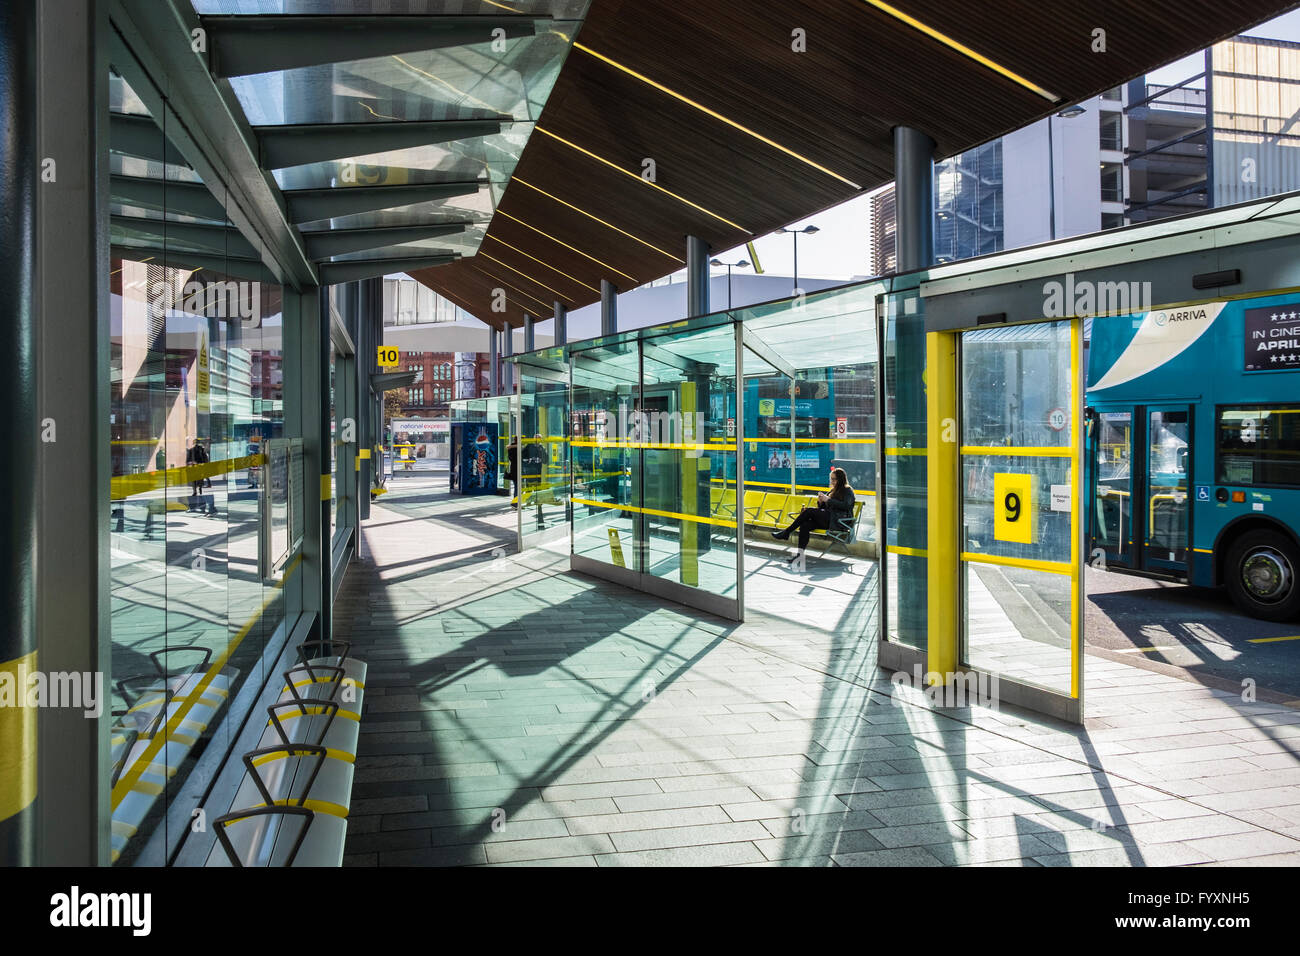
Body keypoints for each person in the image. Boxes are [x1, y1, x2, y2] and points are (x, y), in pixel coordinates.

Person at [772, 467, 855, 564]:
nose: (832, 481)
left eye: (834, 479)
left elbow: (846, 506)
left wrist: (827, 499)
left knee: (809, 512)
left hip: (838, 522)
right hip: (829, 519)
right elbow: (824, 508)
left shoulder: (847, 490)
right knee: (805, 525)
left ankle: (787, 532)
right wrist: (821, 502)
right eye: (831, 479)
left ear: (840, 479)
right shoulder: (832, 491)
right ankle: (799, 556)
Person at [504, 436, 519, 506]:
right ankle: (515, 503)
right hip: (517, 470)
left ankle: (515, 502)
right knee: (517, 487)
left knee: (516, 487)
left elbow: (510, 458)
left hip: (513, 469)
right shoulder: (519, 448)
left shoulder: (510, 448)